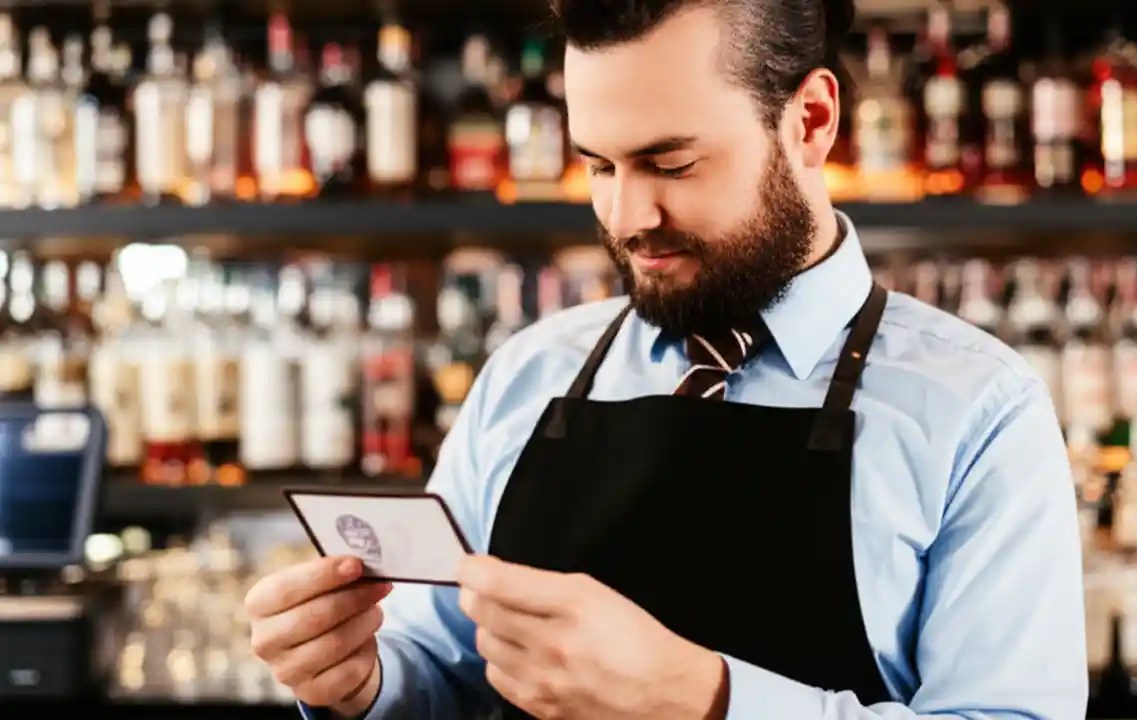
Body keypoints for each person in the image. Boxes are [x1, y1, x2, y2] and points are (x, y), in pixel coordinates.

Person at [244, 0, 1089, 718]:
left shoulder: (979, 408)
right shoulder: (528, 375)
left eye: (671, 163)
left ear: (811, 122)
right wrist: (365, 682)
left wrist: (708, 698)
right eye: (598, 165)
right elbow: (445, 668)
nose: (626, 213)